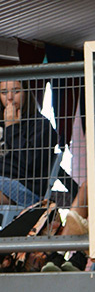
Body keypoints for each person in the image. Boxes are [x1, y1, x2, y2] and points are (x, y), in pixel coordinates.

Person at [0, 80, 60, 209]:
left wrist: (11, 127)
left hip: (26, 189)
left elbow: (30, 162)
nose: (10, 97)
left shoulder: (41, 125)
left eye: (16, 91)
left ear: (26, 93)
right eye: (4, 92)